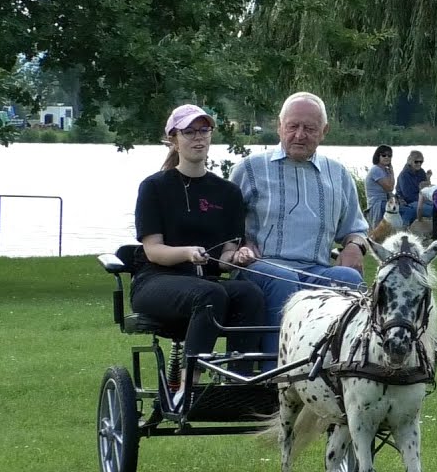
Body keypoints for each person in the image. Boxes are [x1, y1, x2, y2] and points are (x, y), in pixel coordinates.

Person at [131, 104, 266, 401]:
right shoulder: (154, 187)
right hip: (156, 281)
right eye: (189, 132)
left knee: (250, 292)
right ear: (172, 139)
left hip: (205, 282)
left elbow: (228, 256)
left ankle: (238, 379)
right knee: (211, 294)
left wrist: (241, 255)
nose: (198, 138)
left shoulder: (228, 193)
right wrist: (188, 253)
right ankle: (187, 387)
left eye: (203, 130)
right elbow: (153, 251)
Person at [230, 92, 368, 363]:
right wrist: (242, 242)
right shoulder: (249, 169)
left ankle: (341, 371)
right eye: (292, 127)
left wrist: (354, 246)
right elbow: (224, 226)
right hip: (262, 267)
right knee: (284, 282)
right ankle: (277, 376)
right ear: (279, 126)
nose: (300, 135)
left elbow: (356, 228)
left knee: (348, 280)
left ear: (324, 131)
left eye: (310, 128)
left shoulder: (337, 174)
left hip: (315, 269)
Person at [395, 150, 435, 228]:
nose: (419, 164)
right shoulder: (404, 175)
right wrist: (424, 199)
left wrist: (428, 180)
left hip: (419, 199)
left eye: (421, 162)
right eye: (416, 161)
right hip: (407, 203)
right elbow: (408, 196)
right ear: (410, 161)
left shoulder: (421, 172)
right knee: (433, 209)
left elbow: (425, 189)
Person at [365, 145, 396, 228]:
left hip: (384, 201)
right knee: (404, 211)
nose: (387, 157)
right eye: (384, 155)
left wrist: (390, 172)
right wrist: (392, 172)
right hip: (377, 204)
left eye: (389, 156)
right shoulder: (376, 169)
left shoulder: (385, 170)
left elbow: (390, 189)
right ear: (378, 156)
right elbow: (390, 187)